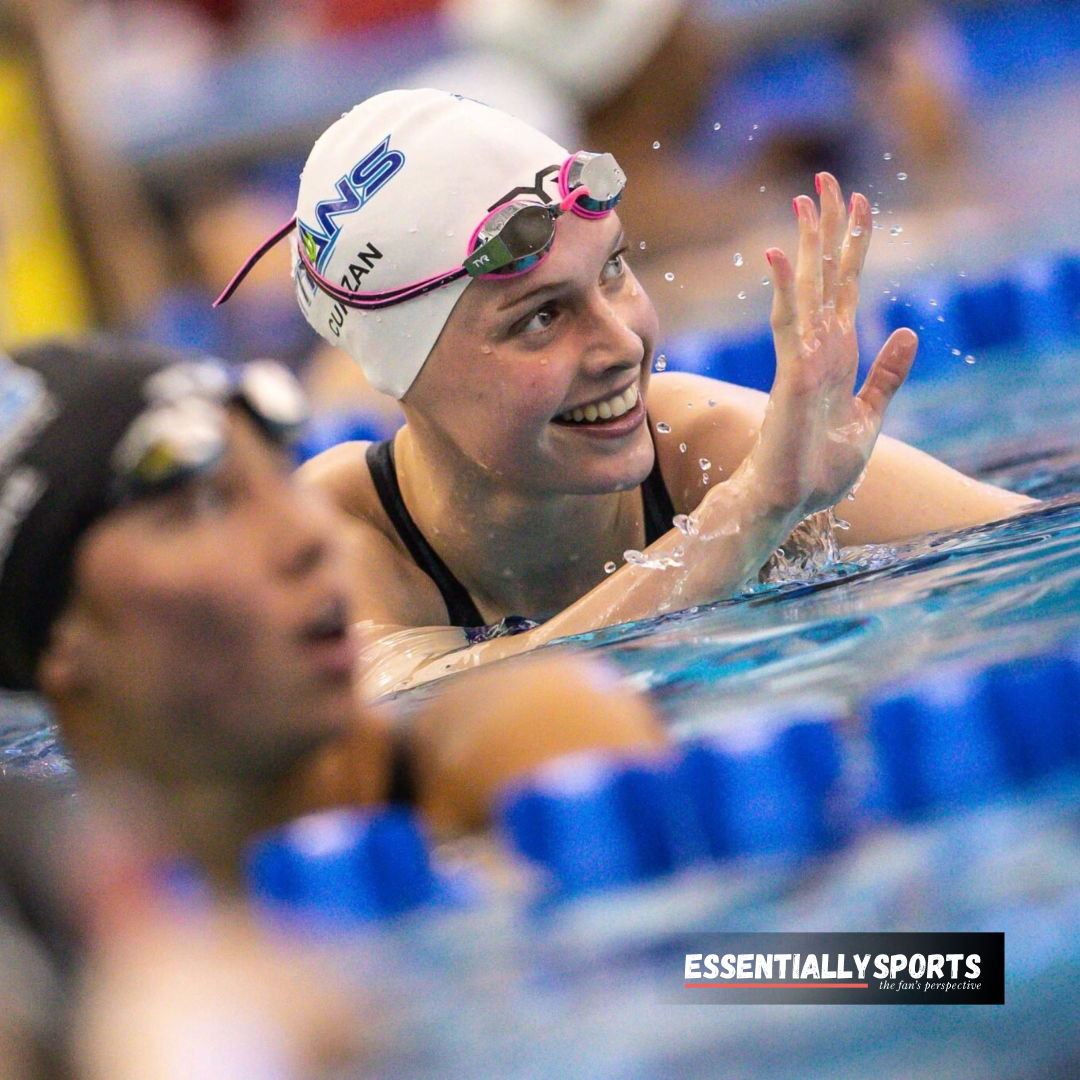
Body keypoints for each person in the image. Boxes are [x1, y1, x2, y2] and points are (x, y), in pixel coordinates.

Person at [214, 88, 1034, 694]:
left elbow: (1038, 560)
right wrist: (748, 516)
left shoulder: (708, 449)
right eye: (540, 319)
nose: (622, 344)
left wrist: (753, 500)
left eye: (613, 268)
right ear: (405, 373)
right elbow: (437, 697)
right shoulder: (338, 544)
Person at [0, 336, 665, 888]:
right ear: (60, 639)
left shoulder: (528, 749)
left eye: (281, 476)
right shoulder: (70, 943)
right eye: (207, 507)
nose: (309, 537)